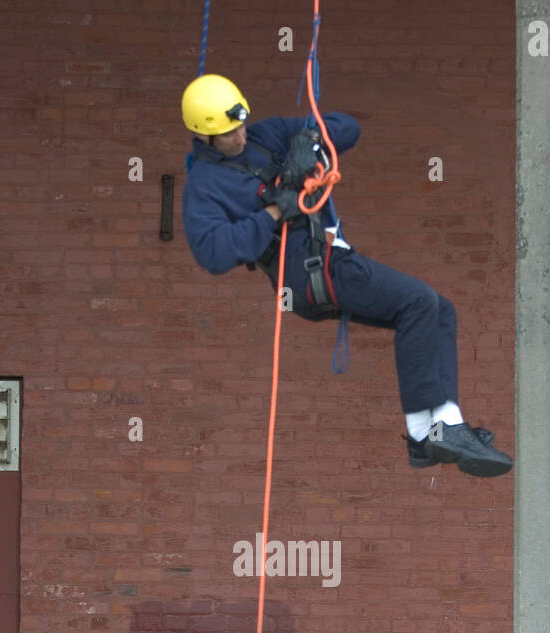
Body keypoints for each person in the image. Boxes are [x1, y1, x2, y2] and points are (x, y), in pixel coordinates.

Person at [181, 74, 513, 477]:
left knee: (439, 310)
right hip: (308, 271)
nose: (239, 135)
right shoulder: (204, 185)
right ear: (205, 136)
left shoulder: (265, 136)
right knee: (418, 302)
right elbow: (213, 252)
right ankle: (433, 432)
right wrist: (272, 213)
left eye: (239, 125)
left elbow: (348, 128)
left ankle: (434, 431)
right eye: (229, 133)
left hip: (328, 260)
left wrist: (310, 145)